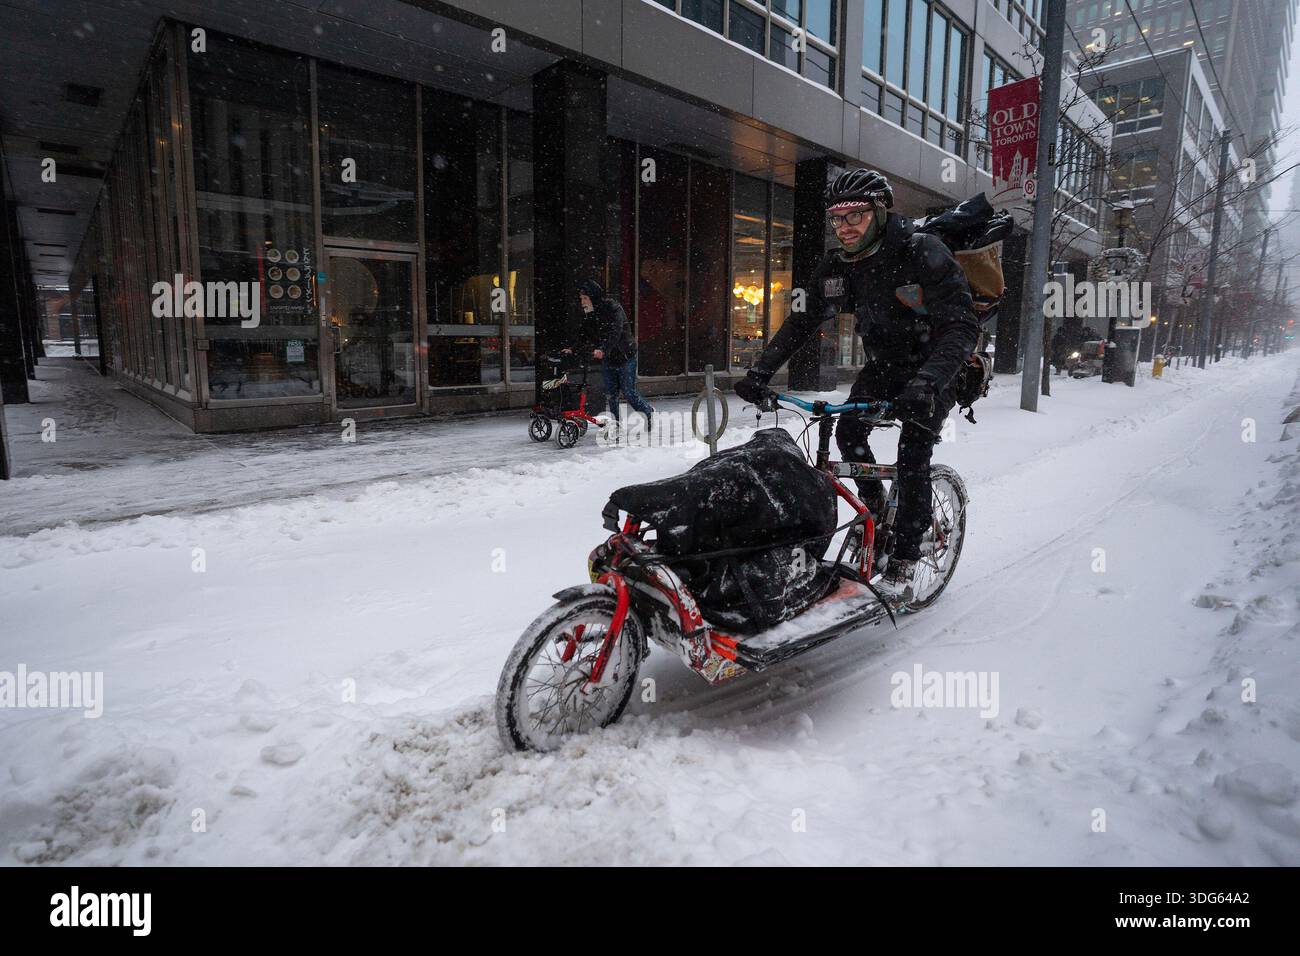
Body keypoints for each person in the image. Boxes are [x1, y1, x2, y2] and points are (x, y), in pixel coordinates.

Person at [734, 168, 979, 591]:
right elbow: (803, 320)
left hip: (936, 367)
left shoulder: (923, 252)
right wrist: (760, 372)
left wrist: (927, 385)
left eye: (855, 216)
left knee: (913, 452)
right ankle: (875, 503)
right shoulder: (838, 265)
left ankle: (905, 552)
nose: (844, 227)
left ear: (880, 212)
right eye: (837, 218)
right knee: (848, 432)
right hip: (884, 366)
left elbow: (962, 327)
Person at [571, 279, 654, 434]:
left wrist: (603, 349)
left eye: (584, 298)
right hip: (609, 358)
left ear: (593, 297)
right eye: (581, 299)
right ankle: (616, 425)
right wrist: (572, 348)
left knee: (628, 392)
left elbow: (615, 332)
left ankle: (648, 412)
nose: (582, 302)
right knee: (611, 394)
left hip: (625, 356)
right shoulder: (590, 313)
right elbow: (584, 333)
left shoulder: (613, 308)